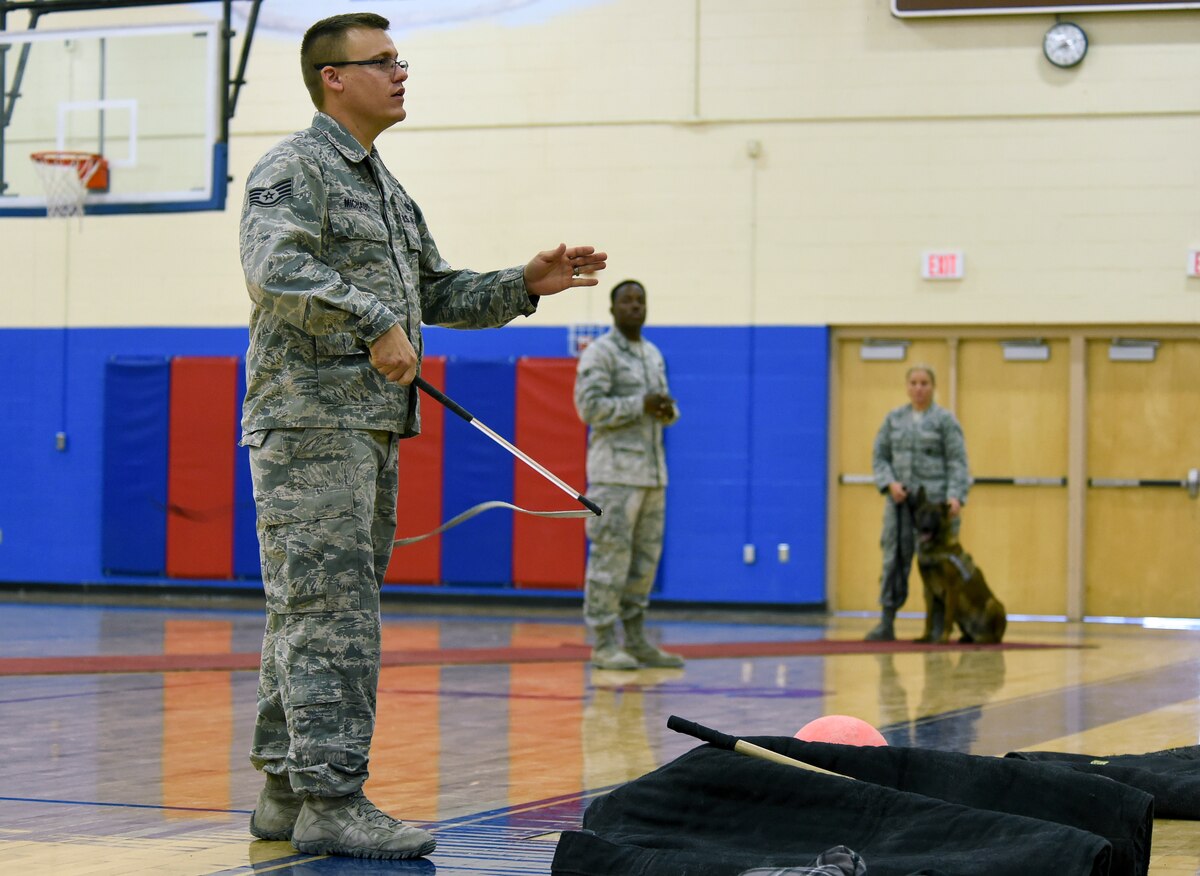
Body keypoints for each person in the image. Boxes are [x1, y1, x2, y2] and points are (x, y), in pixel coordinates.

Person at [238, 12, 606, 861]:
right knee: (331, 614)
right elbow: (274, 269)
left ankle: (287, 792)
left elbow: (432, 291)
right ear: (333, 77)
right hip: (311, 424)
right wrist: (371, 318)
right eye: (383, 62)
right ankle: (332, 800)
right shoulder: (294, 168)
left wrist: (523, 282)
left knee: (312, 610)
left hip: (364, 428)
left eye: (401, 60)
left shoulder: (383, 186)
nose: (401, 74)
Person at [574, 280, 683, 671]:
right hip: (614, 477)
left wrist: (665, 410)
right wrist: (640, 404)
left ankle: (636, 639)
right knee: (610, 560)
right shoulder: (600, 353)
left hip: (653, 476)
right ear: (613, 308)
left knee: (644, 563)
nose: (635, 307)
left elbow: (662, 407)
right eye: (627, 301)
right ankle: (604, 643)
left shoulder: (651, 354)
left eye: (641, 301)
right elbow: (589, 408)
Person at [865, 364, 970, 642]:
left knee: (937, 567)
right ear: (907, 386)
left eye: (924, 383)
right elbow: (880, 457)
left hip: (934, 511)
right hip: (901, 508)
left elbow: (958, 462)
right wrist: (889, 483)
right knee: (893, 561)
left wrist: (955, 496)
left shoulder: (944, 421)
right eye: (913, 383)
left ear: (933, 387)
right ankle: (886, 621)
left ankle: (937, 627)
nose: (919, 388)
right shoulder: (893, 420)